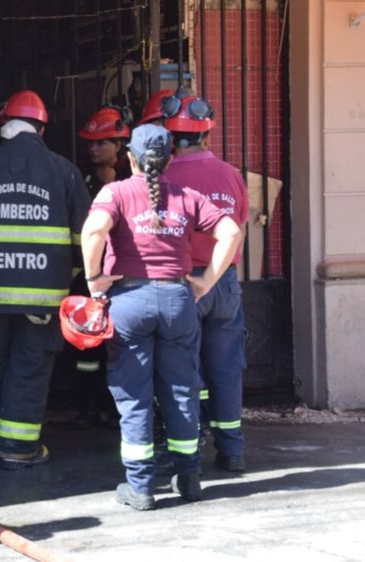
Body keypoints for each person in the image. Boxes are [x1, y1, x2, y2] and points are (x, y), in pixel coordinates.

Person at [80, 124, 242, 510]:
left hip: (130, 300)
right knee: (182, 389)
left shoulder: (115, 192)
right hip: (177, 300)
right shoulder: (187, 196)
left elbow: (93, 231)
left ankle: (140, 487)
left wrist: (94, 280)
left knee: (134, 395)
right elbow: (232, 233)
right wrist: (205, 281)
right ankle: (189, 478)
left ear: (129, 158)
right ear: (169, 159)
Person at [0, 89, 91, 470]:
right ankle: (17, 448)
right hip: (42, 301)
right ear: (41, 127)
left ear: (4, 126)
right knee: (28, 368)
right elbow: (85, 239)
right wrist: (67, 278)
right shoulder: (65, 171)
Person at [161, 93, 250, 473]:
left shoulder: (165, 178)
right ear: (207, 136)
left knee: (185, 369)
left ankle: (189, 445)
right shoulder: (231, 175)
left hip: (184, 283)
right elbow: (238, 227)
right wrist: (215, 276)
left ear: (170, 137)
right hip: (224, 282)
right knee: (226, 368)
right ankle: (232, 450)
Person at [65, 106, 134, 429]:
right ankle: (88, 406)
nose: (94, 148)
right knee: (85, 348)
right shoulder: (79, 179)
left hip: (123, 276)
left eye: (101, 142)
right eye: (90, 143)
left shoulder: (133, 182)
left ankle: (117, 408)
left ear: (119, 145)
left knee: (119, 346)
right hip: (87, 278)